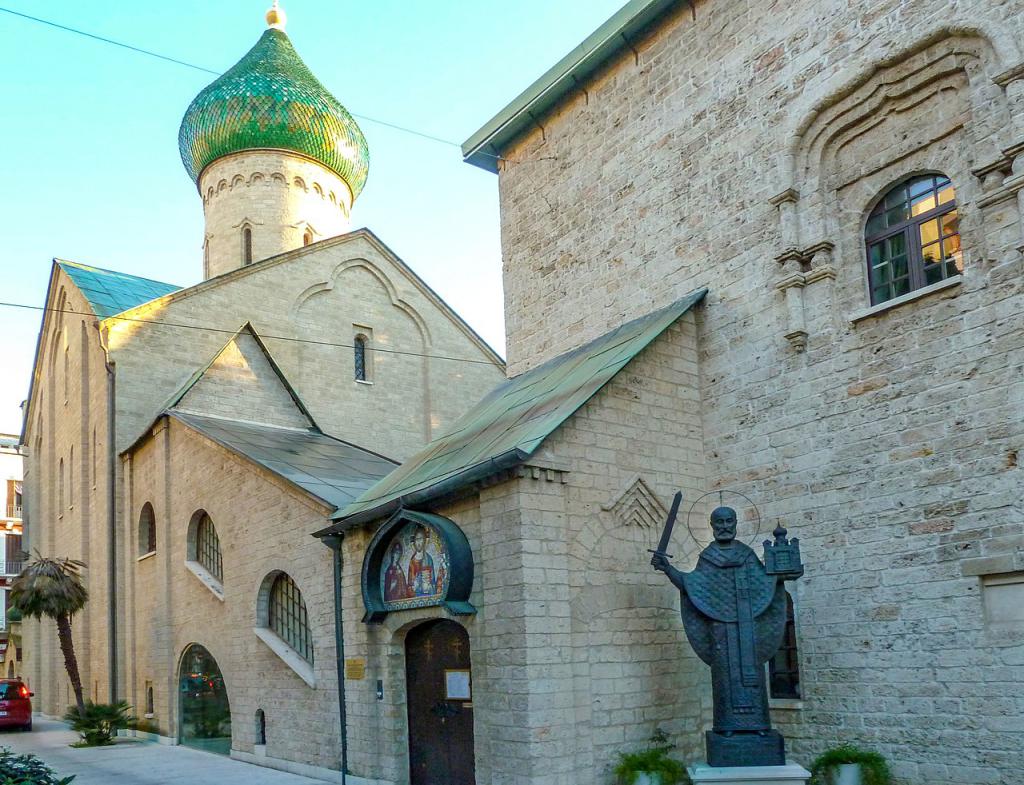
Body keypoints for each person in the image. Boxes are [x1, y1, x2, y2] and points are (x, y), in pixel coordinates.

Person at [651, 506, 801, 767]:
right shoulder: (708, 557)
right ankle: (726, 726)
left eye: (728, 521)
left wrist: (778, 576)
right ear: (711, 525)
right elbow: (692, 586)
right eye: (718, 522)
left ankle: (759, 726)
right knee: (724, 674)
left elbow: (766, 583)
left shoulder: (746, 555)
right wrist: (668, 569)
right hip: (720, 629)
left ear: (735, 523)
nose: (723, 526)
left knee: (751, 673)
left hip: (747, 628)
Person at [407, 525, 436, 597]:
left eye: (421, 539)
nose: (419, 542)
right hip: (415, 594)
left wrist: (429, 586)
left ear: (424, 540)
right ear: (414, 542)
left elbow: (432, 581)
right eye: (417, 539)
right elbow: (409, 584)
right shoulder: (412, 561)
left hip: (427, 594)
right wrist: (414, 586)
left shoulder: (429, 559)